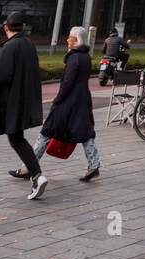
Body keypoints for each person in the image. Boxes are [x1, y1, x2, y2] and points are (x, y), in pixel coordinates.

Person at [12, 26, 101, 184]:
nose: (67, 40)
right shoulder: (86, 57)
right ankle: (94, 165)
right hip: (82, 101)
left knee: (46, 133)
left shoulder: (74, 58)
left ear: (76, 40)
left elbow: (67, 83)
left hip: (67, 103)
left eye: (70, 37)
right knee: (85, 133)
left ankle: (29, 168)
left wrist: (57, 100)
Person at [0, 12, 46, 200]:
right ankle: (37, 175)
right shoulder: (29, 45)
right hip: (18, 101)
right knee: (17, 138)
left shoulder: (9, 47)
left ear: (6, 27)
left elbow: (1, 77)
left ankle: (37, 175)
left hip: (1, 103)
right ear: (23, 26)